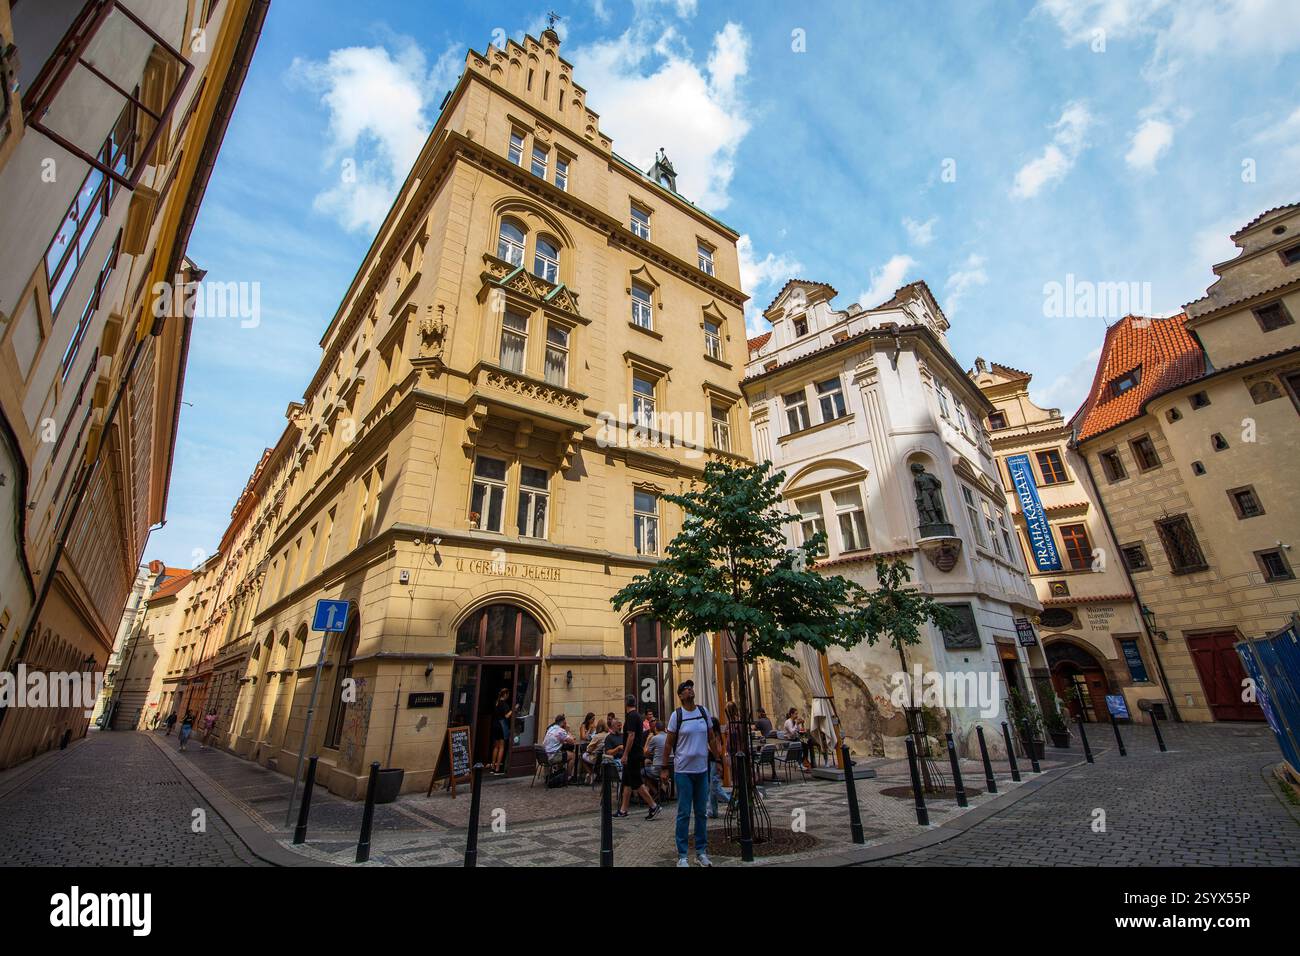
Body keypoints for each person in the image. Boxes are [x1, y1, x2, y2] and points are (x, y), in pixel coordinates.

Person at [663, 679, 721, 867]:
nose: (689, 690)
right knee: (684, 813)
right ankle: (682, 855)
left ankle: (701, 852)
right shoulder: (676, 715)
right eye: (685, 689)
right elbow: (669, 743)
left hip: (701, 770)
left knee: (702, 812)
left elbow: (712, 739)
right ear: (680, 696)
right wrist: (665, 767)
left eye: (691, 688)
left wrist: (718, 760)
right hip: (683, 771)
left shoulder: (704, 712)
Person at [616, 695, 662, 820]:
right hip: (635, 753)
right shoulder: (637, 716)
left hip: (633, 755)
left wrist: (625, 754)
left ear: (626, 703)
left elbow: (631, 736)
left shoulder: (631, 716)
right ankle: (623, 810)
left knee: (636, 782)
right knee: (627, 782)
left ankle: (653, 806)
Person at [707, 714, 731, 818]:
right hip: (713, 762)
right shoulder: (716, 736)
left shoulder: (715, 736)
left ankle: (732, 801)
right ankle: (713, 811)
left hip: (714, 762)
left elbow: (719, 750)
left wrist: (708, 748)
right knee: (712, 788)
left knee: (714, 788)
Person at [489, 688, 513, 775]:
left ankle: (492, 766)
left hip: (495, 724)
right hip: (501, 726)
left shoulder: (496, 703)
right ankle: (498, 768)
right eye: (508, 694)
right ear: (505, 694)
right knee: (502, 747)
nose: (508, 696)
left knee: (496, 746)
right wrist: (513, 710)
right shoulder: (505, 705)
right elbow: (506, 716)